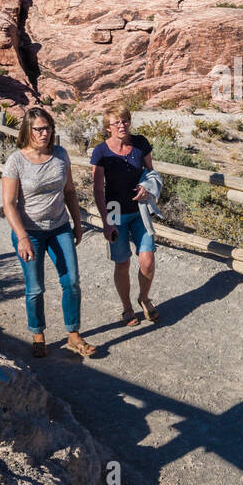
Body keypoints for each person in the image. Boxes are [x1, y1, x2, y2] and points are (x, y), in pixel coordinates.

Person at [2, 107, 95, 358]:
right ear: (28, 131)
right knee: (35, 287)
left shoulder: (61, 155)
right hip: (29, 231)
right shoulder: (16, 161)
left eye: (48, 128)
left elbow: (70, 192)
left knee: (72, 280)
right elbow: (9, 204)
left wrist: (77, 223)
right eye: (39, 129)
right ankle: (38, 333)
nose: (44, 133)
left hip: (59, 227)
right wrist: (21, 237)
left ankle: (73, 334)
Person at [91, 107, 159, 326]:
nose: (121, 125)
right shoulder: (101, 152)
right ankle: (127, 307)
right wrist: (105, 222)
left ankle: (144, 298)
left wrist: (148, 188)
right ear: (108, 126)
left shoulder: (140, 143)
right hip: (114, 210)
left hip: (139, 210)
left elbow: (151, 172)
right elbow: (99, 189)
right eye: (116, 122)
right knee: (122, 263)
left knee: (147, 261)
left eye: (125, 121)